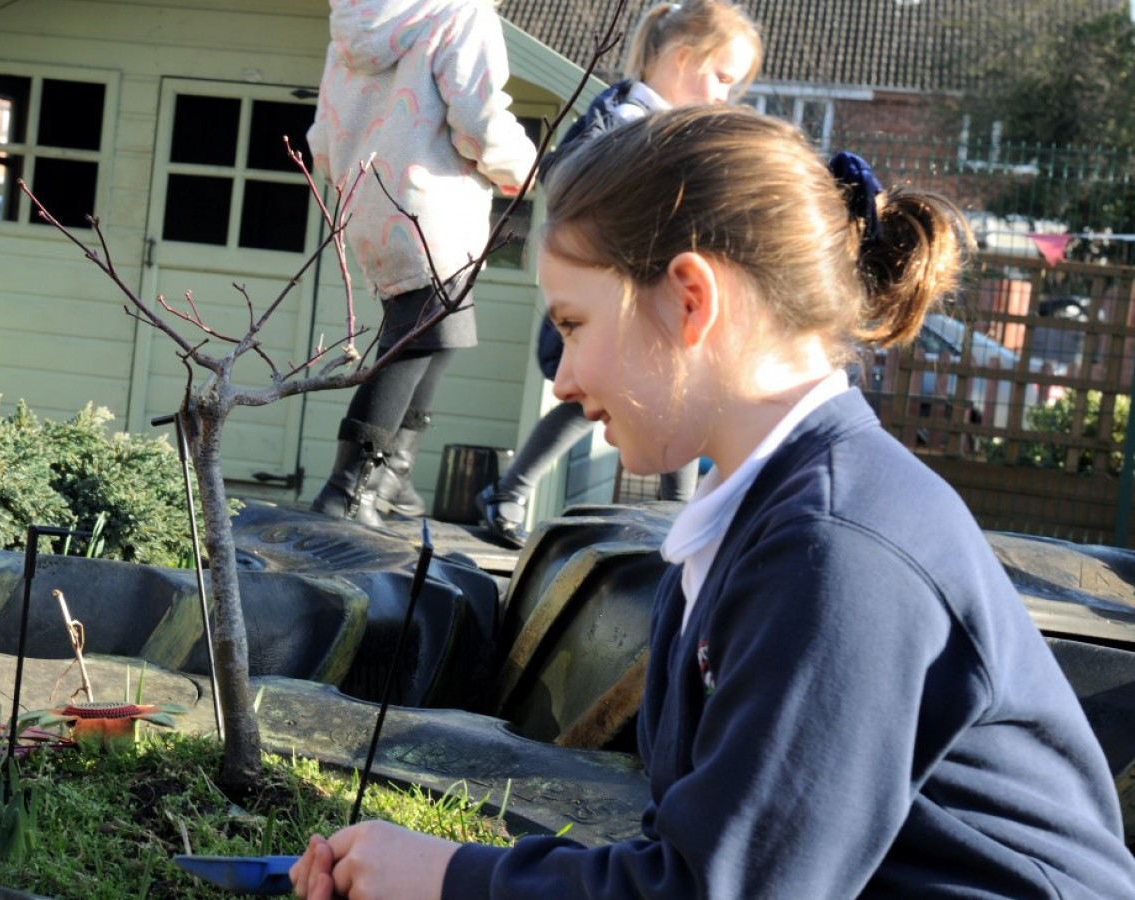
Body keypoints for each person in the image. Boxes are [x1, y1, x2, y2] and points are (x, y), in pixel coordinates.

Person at [290, 106, 1135, 899]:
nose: (564, 376)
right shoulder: (756, 521)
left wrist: (451, 879)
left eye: (576, 325)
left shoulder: (834, 548)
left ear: (690, 299)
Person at [477, 0, 761, 547]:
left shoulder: (662, 128)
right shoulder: (626, 127)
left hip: (637, 302)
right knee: (606, 394)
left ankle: (667, 513)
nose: (725, 94)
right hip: (612, 300)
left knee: (654, 390)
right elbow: (583, 209)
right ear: (683, 57)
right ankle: (667, 513)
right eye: (722, 77)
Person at [305, 0, 538, 527]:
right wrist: (526, 170)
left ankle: (393, 473)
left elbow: (322, 134)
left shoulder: (354, 21)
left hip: (365, 197)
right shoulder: (461, 13)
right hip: (430, 200)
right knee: (413, 342)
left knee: (438, 333)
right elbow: (479, 120)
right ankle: (350, 486)